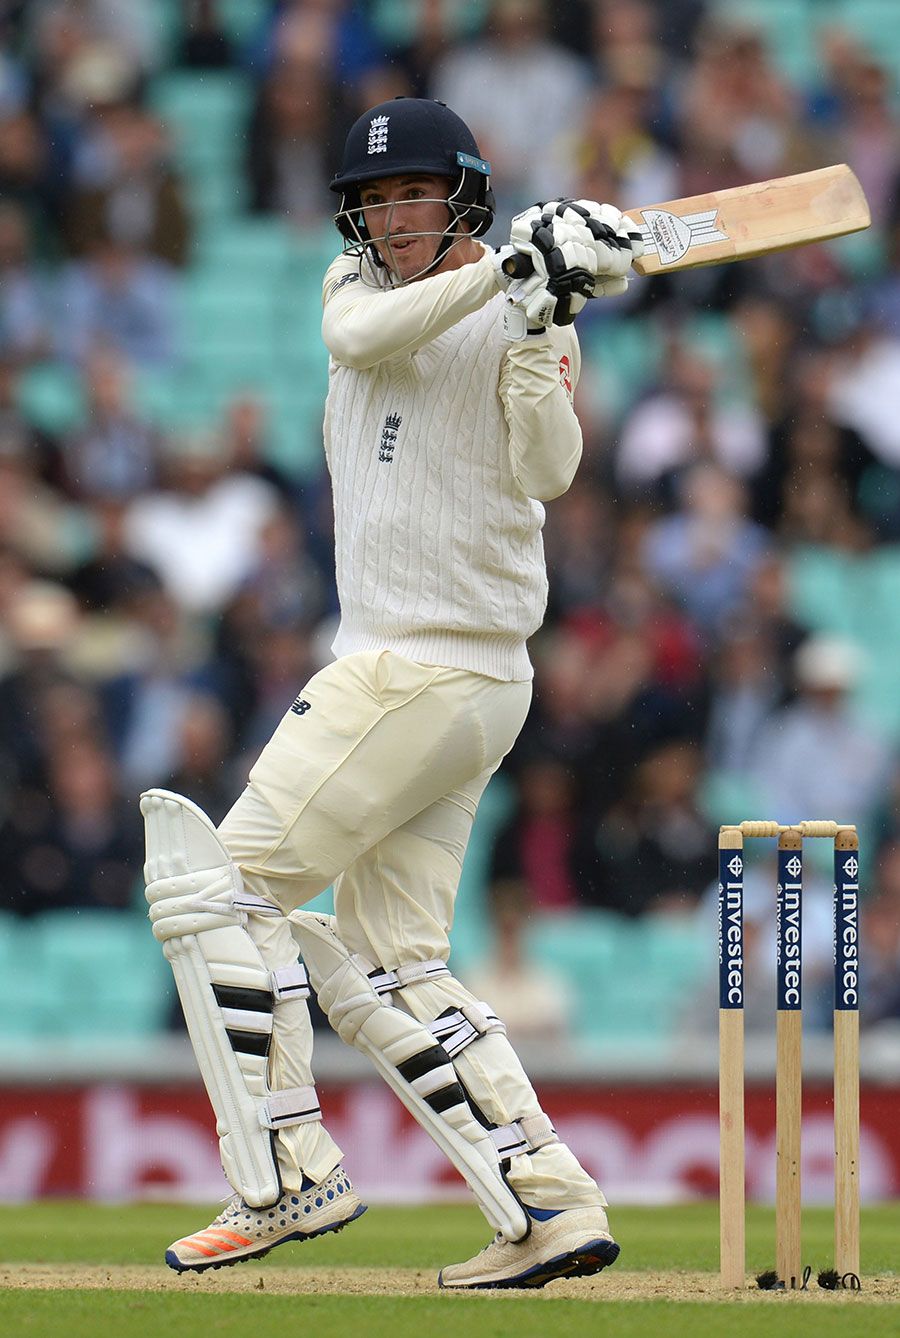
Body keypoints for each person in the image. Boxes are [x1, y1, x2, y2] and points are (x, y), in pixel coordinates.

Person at [141, 96, 641, 1289]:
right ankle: (548, 1202)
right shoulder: (348, 292)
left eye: (409, 195)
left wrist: (542, 323)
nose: (387, 219)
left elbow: (553, 470)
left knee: (218, 885)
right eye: (369, 202)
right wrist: (514, 270)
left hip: (429, 665)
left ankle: (287, 1175)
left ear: (460, 195)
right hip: (431, 675)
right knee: (386, 958)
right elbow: (367, 344)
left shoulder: (527, 310)